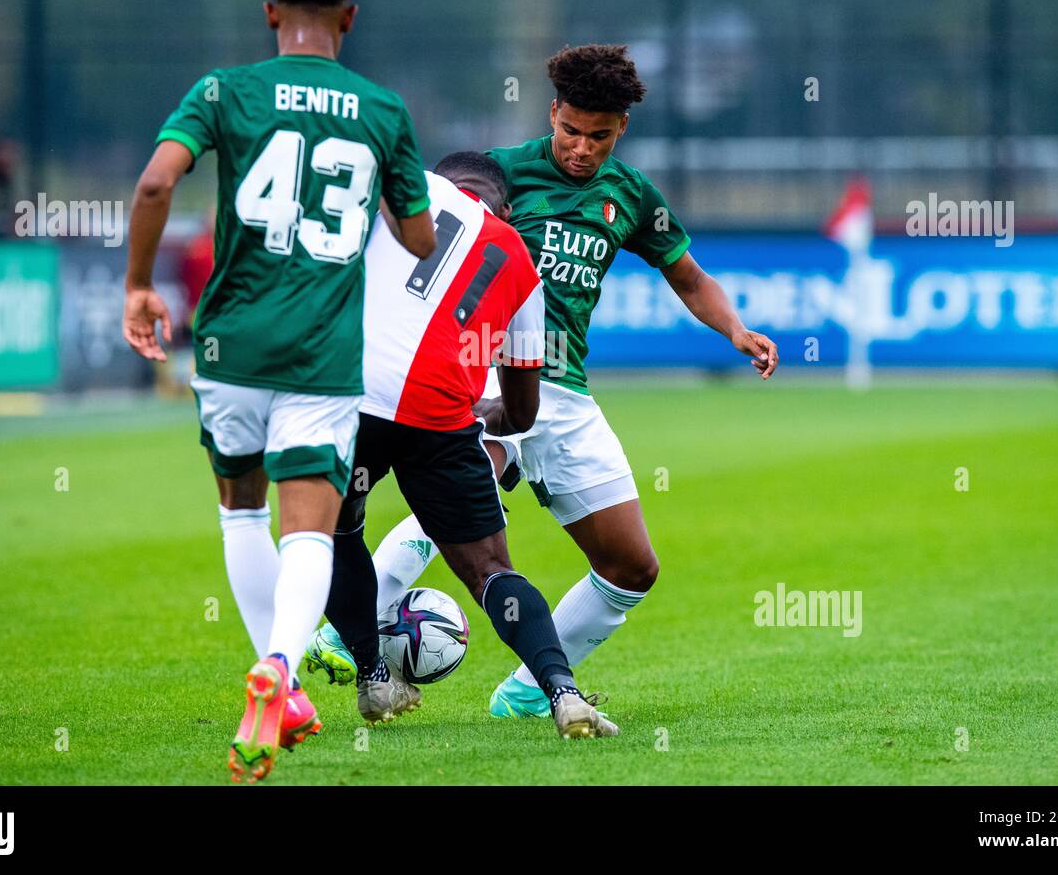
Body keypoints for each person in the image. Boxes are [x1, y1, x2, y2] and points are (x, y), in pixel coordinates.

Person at [309, 44, 779, 719]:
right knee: (472, 495)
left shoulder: (632, 196)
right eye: (570, 130)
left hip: (562, 389)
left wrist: (734, 330)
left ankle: (527, 692)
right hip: (480, 376)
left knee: (632, 566)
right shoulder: (496, 174)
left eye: (599, 137)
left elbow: (689, 276)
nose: (582, 149)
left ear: (621, 130)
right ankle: (346, 632)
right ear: (552, 111)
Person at [120, 0, 436, 783]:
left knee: (239, 511)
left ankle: (274, 675)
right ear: (350, 16)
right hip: (321, 356)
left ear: (268, 11)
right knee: (313, 527)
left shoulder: (224, 89)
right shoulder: (383, 110)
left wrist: (138, 287)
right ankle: (281, 673)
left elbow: (154, 183)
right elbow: (417, 236)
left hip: (229, 347)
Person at [311, 152, 617, 738]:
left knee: (337, 529)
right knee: (490, 570)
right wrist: (486, 412)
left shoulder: (412, 187)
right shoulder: (520, 262)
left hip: (353, 392)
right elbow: (522, 408)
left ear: (442, 181)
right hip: (439, 416)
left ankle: (374, 677)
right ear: (505, 210)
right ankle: (564, 694)